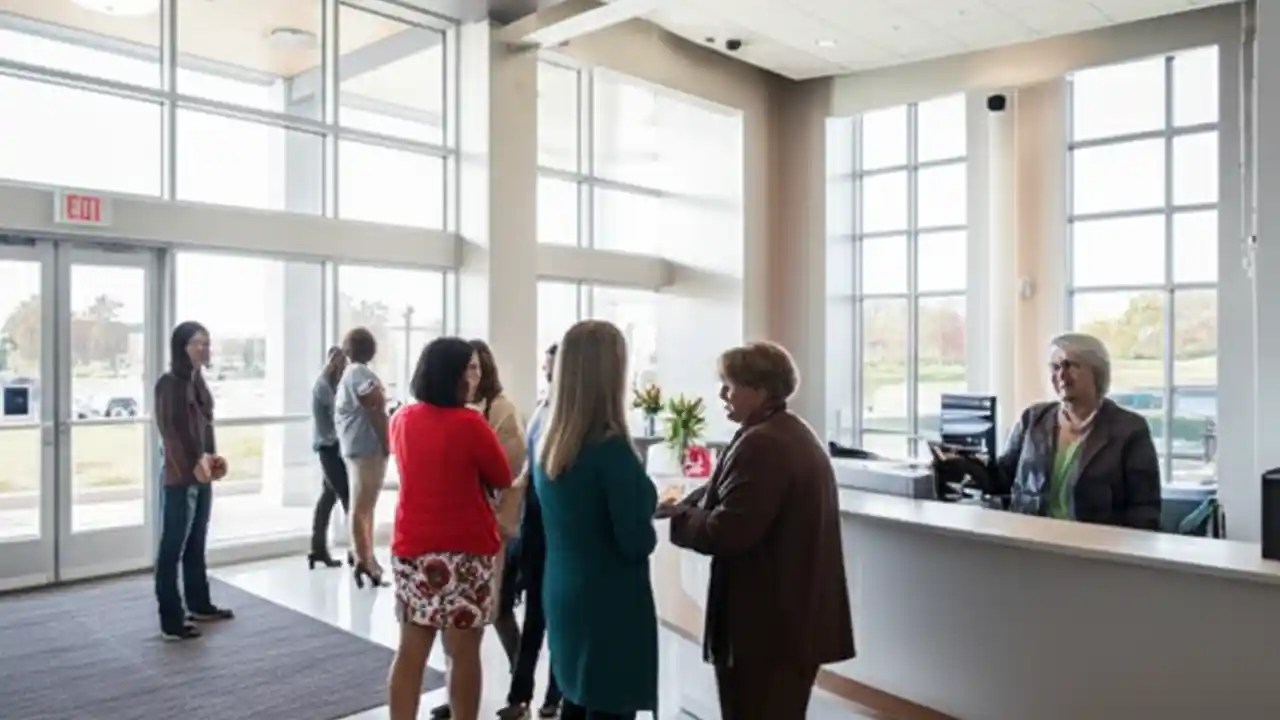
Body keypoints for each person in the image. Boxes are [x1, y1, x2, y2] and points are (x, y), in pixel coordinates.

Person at [660, 341, 855, 719]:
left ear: (760, 390)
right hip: (784, 625)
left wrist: (680, 517)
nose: (722, 394)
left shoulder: (764, 444)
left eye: (730, 385)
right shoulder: (784, 432)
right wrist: (685, 503)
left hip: (766, 629)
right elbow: (723, 491)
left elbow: (727, 531)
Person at [386, 337, 514, 720]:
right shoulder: (470, 423)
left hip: (413, 546)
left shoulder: (402, 419)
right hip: (465, 550)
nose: (475, 377)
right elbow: (502, 475)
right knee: (464, 651)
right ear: (454, 375)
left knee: (410, 649)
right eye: (469, 369)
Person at [536, 321, 658, 720]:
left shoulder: (549, 445)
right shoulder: (612, 451)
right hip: (609, 603)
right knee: (608, 706)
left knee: (576, 700)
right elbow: (635, 541)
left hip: (564, 590)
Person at [429, 339, 527, 720]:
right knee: (457, 622)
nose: (469, 376)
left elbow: (508, 471)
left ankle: (520, 692)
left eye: (474, 368)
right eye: (464, 369)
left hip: (493, 527)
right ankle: (456, 694)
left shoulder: (500, 412)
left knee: (496, 613)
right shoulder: (451, 413)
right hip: (458, 531)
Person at [994, 332, 1162, 529]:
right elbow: (1001, 478)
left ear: (1097, 372)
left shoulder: (1130, 429)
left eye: (1071, 365)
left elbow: (1145, 509)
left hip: (1095, 544)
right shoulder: (1033, 419)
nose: (1061, 375)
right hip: (1032, 539)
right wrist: (969, 463)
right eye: (1055, 367)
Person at [154, 321, 234, 641]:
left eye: (206, 343)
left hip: (202, 474)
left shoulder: (197, 381)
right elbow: (171, 433)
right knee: (172, 547)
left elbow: (205, 426)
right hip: (181, 477)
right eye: (197, 343)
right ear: (182, 347)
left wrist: (212, 459)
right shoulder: (169, 384)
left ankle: (199, 604)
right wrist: (192, 468)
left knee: (196, 542)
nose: (204, 348)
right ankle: (171, 621)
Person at [496, 343, 563, 720]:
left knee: (552, 615)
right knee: (533, 612)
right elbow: (530, 465)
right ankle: (520, 694)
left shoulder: (569, 416)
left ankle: (552, 695)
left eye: (552, 367)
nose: (547, 373)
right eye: (546, 367)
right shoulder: (542, 409)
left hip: (555, 528)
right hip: (532, 524)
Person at [335, 327, 390, 588]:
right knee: (362, 507)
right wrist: (386, 441)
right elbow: (374, 405)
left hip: (357, 447)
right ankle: (364, 560)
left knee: (364, 506)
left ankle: (366, 556)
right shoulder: (359, 373)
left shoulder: (351, 373)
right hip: (365, 448)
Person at [309, 346, 350, 569]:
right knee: (347, 496)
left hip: (333, 446)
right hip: (329, 448)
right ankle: (358, 552)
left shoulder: (332, 385)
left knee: (328, 497)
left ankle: (318, 549)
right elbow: (338, 413)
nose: (344, 366)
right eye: (341, 362)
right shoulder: (324, 386)